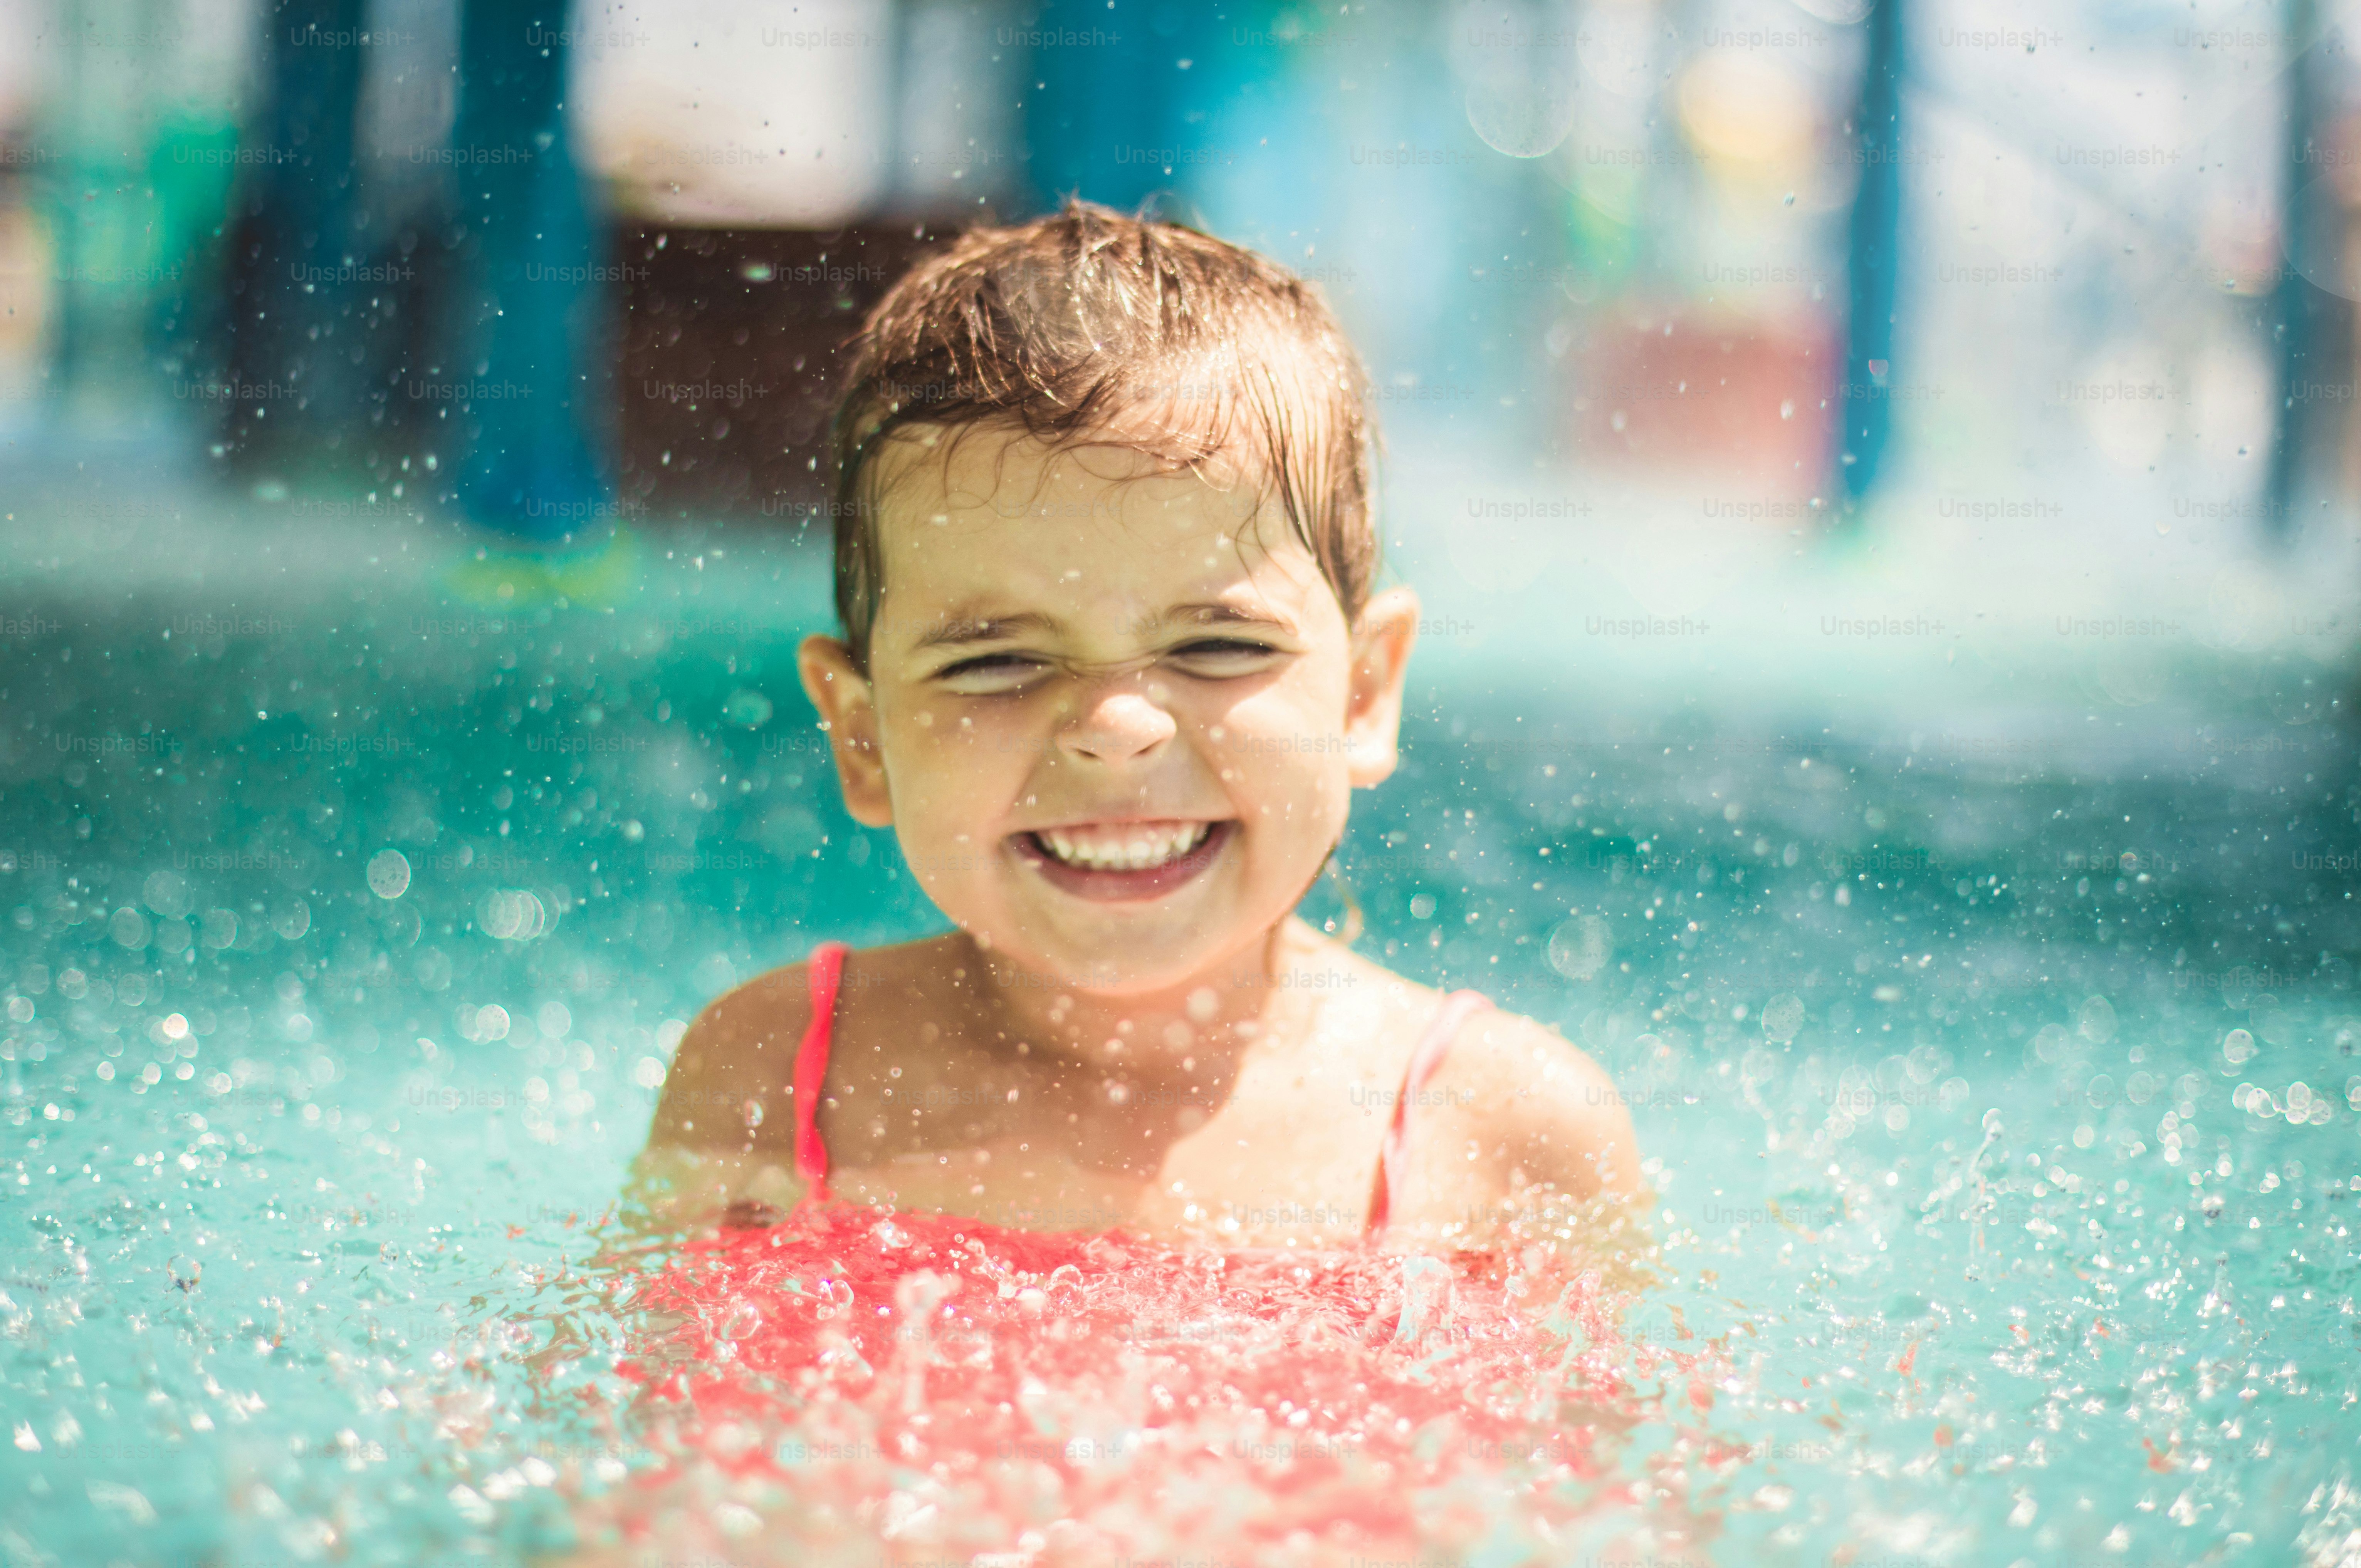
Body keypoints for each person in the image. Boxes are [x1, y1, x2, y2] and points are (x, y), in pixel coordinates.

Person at [630, 200, 1641, 1251]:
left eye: (1219, 646)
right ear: (863, 736)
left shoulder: (1499, 1132)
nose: (1115, 727)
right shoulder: (778, 1070)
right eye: (997, 661)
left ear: (1361, 695)